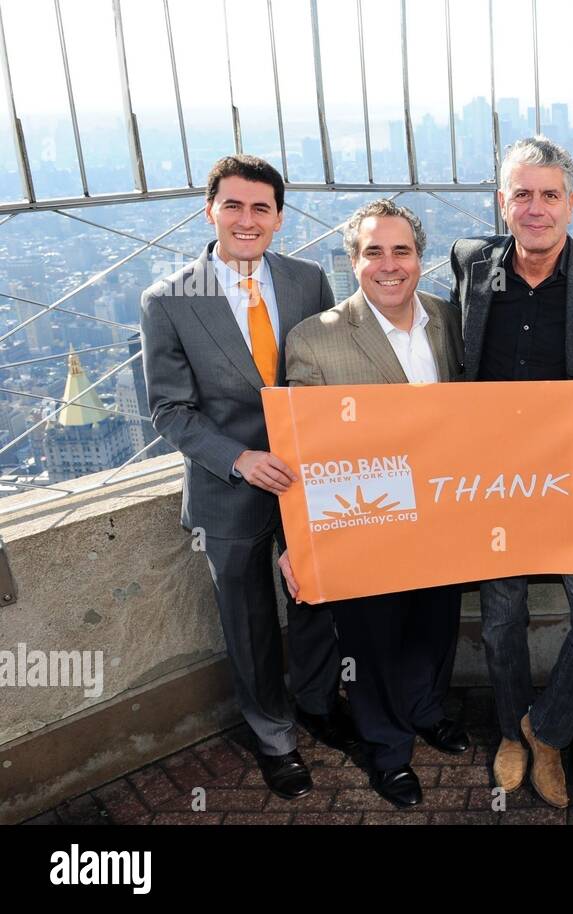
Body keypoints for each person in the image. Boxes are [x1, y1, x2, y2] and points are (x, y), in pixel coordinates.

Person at [139, 155, 354, 800]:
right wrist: (239, 459)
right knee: (249, 618)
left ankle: (317, 703)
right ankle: (273, 735)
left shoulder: (308, 279)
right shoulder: (168, 301)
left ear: (279, 218)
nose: (247, 220)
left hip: (304, 482)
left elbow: (321, 377)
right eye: (233, 205)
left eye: (261, 208)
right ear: (210, 211)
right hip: (227, 488)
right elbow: (169, 410)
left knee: (315, 600)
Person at [448, 136, 573, 809]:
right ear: (502, 202)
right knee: (501, 620)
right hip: (496, 479)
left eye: (549, 195)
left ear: (571, 203)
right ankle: (507, 731)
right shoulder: (470, 263)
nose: (536, 208)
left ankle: (547, 729)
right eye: (521, 194)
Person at [277, 200, 468, 808]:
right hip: (366, 519)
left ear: (421, 256)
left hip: (443, 513)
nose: (389, 265)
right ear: (352, 261)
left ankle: (425, 710)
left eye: (402, 250)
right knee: (371, 643)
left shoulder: (451, 320)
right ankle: (388, 752)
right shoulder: (315, 339)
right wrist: (298, 545)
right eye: (373, 252)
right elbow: (303, 451)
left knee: (436, 627)